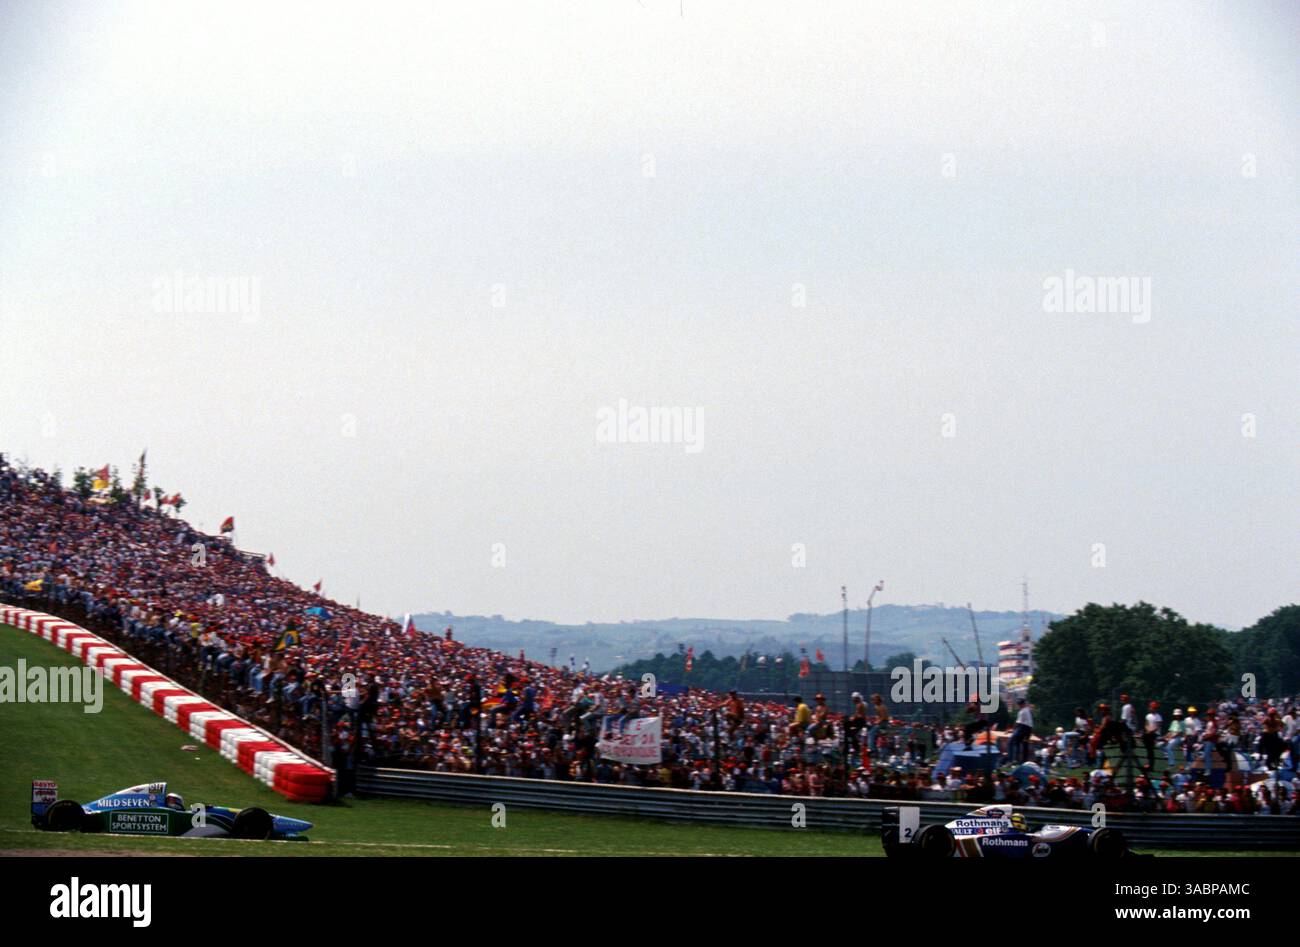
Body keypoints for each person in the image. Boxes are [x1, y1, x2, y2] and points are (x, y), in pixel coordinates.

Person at [1008, 698, 1033, 763]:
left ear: (1020, 705)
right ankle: (1023, 761)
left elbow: (1017, 723)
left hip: (1022, 728)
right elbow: (1029, 706)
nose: (1019, 706)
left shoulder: (1022, 711)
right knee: (1025, 744)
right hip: (1029, 729)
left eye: (1019, 704)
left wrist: (1012, 730)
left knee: (1012, 742)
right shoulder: (1027, 709)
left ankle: (1013, 760)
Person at [1143, 701, 1162, 770]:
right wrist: (1148, 730)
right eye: (1151, 707)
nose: (1151, 708)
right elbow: (1146, 724)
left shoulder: (1158, 716)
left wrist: (1151, 731)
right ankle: (1149, 764)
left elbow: (1158, 726)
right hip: (1149, 733)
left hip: (1155, 734)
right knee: (1148, 748)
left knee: (1150, 750)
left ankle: (1150, 765)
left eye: (1153, 708)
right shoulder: (1148, 716)